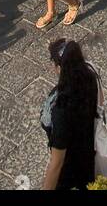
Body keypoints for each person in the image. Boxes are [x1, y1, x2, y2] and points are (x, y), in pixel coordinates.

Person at [40, 38, 98, 190]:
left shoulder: (62, 110)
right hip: (88, 155)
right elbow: (100, 104)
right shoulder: (90, 76)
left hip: (69, 169)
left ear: (60, 68)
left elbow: (57, 163)